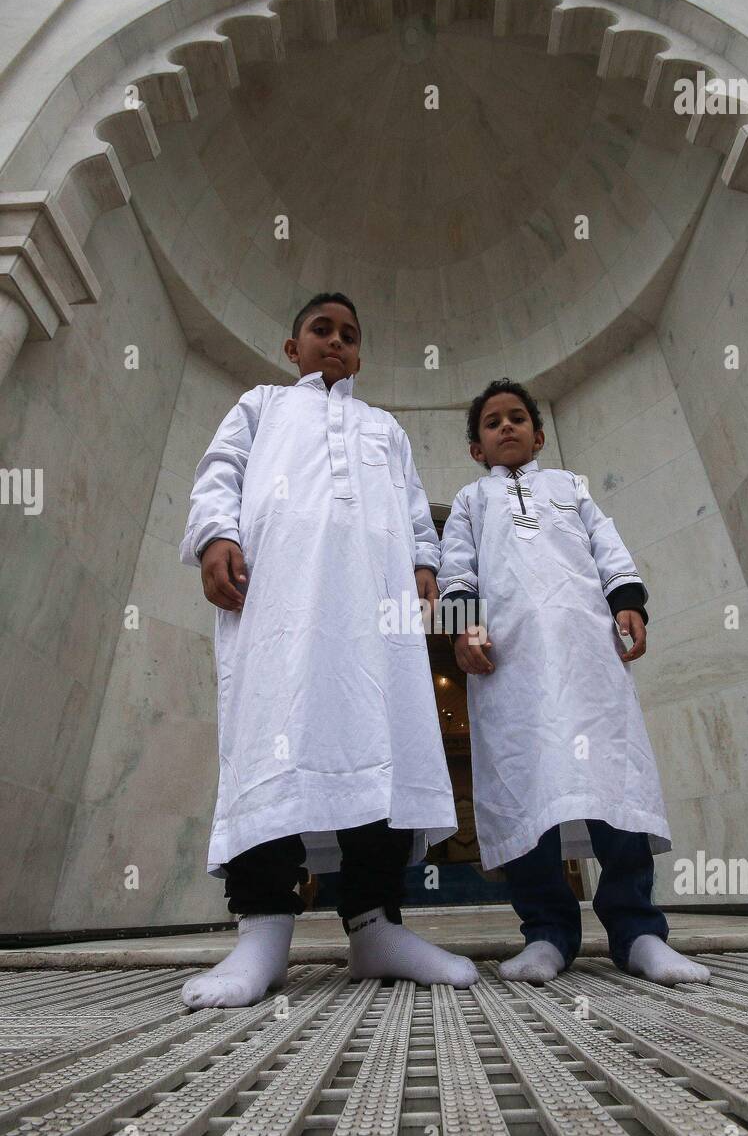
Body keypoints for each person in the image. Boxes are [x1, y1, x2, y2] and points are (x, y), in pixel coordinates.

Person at [178, 293, 478, 1006]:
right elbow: (219, 471)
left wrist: (426, 565)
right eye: (322, 330)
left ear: (361, 354)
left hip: (376, 610)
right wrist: (218, 533)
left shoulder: (383, 428)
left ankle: (375, 926)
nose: (336, 342)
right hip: (281, 600)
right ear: (293, 348)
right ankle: (263, 931)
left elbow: (411, 506)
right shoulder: (262, 407)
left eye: (349, 334)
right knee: (271, 742)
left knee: (379, 743)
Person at [438, 379, 710, 987]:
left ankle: (638, 932)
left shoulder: (571, 487)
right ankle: (546, 935)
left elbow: (609, 549)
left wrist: (628, 601)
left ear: (538, 435)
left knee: (612, 778)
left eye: (517, 419)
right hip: (509, 666)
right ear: (477, 448)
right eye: (491, 422)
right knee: (524, 789)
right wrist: (461, 631)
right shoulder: (468, 503)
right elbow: (456, 568)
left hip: (588, 656)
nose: (505, 427)